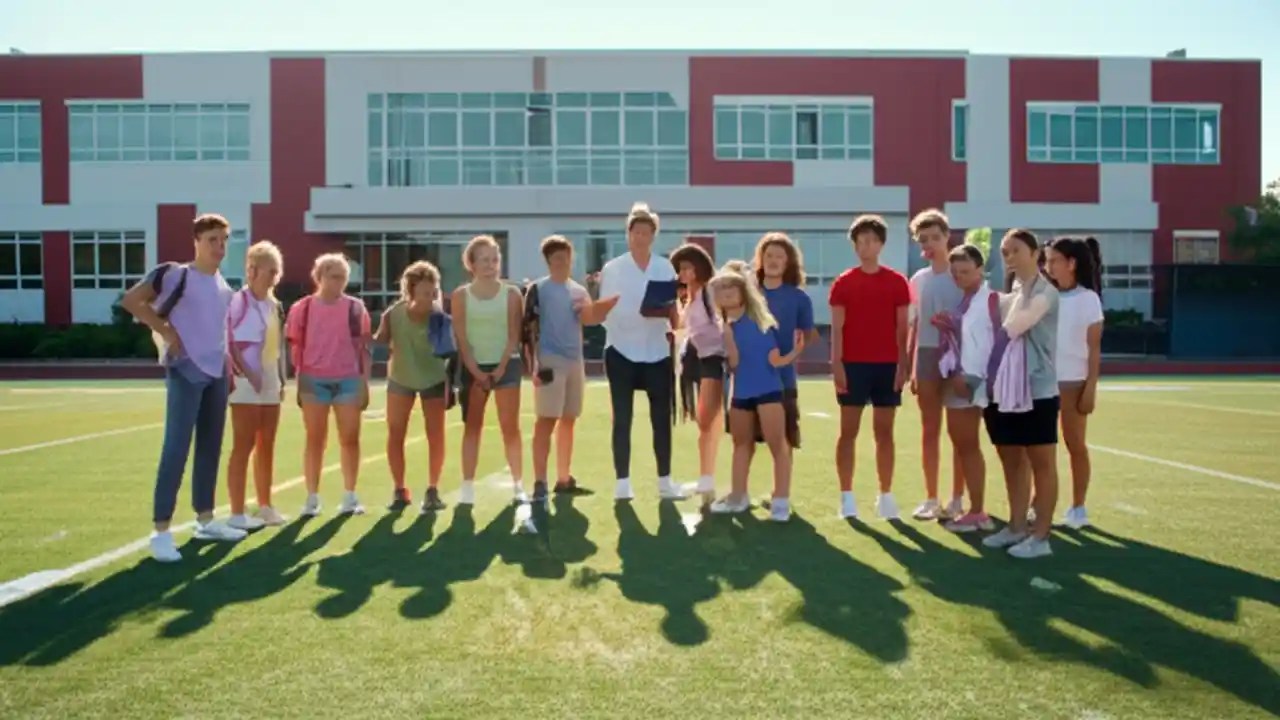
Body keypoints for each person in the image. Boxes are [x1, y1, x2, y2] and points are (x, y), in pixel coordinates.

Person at [120, 213, 244, 562]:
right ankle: (160, 531)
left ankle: (205, 519)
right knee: (176, 448)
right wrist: (166, 331)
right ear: (197, 241)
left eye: (223, 240)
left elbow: (218, 329)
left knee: (210, 447)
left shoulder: (222, 284)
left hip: (216, 373)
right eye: (212, 240)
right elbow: (132, 300)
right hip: (186, 370)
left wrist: (228, 367)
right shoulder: (178, 274)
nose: (219, 247)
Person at [597, 202, 686, 502]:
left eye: (646, 232)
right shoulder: (613, 268)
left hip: (657, 351)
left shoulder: (664, 266)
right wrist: (628, 316)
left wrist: (671, 318)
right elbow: (605, 308)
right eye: (636, 231)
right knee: (622, 418)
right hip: (621, 350)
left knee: (662, 418)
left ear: (653, 235)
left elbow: (673, 306)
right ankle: (622, 483)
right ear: (628, 234)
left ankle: (665, 482)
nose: (640, 237)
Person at [981, 229, 1061, 559]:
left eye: (1015, 250)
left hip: (1038, 390)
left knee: (1042, 463)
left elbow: (1015, 326)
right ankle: (1015, 526)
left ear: (1034, 252)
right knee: (1012, 461)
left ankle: (1040, 536)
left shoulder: (1046, 291)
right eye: (1004, 252)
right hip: (1006, 391)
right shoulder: (1011, 292)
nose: (1009, 257)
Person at [525, 236, 619, 503]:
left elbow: (589, 320)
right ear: (549, 261)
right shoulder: (538, 289)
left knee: (569, 420)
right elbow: (527, 328)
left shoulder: (579, 290)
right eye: (557, 258)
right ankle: (540, 481)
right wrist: (534, 365)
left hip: (574, 361)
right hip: (549, 361)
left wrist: (603, 306)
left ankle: (564, 478)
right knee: (546, 420)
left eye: (566, 257)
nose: (563, 262)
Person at [829, 214, 911, 520]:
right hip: (853, 364)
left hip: (887, 365)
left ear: (881, 244)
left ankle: (885, 495)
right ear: (855, 245)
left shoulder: (897, 282)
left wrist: (903, 364)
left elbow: (902, 328)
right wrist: (836, 364)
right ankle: (847, 496)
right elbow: (837, 329)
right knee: (848, 431)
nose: (867, 245)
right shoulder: (843, 283)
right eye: (861, 241)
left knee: (884, 433)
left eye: (872, 240)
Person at [710, 267, 804, 522]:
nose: (726, 294)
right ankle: (738, 496)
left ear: (744, 292)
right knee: (741, 445)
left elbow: (774, 359)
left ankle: (781, 500)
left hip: (769, 392)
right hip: (741, 394)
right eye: (720, 290)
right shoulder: (724, 327)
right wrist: (727, 339)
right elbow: (734, 364)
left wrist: (795, 351)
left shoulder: (761, 321)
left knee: (778, 445)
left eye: (731, 288)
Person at [287, 253, 373, 517]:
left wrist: (363, 382)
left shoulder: (355, 308)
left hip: (348, 379)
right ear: (320, 276)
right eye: (334, 276)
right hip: (314, 380)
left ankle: (349, 495)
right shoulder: (302, 308)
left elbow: (364, 347)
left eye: (343, 277)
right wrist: (299, 380)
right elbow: (295, 346)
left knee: (350, 438)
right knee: (315, 439)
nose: (339, 282)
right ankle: (312, 498)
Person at [451, 235, 526, 506]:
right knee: (473, 427)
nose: (490, 265)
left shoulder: (512, 294)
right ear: (471, 264)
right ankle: (467, 487)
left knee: (510, 428)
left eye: (495, 259)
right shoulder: (461, 295)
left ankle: (519, 485)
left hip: (506, 366)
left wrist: (501, 366)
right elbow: (461, 337)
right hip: (474, 369)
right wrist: (476, 371)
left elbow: (513, 335)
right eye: (483, 260)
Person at [906, 210, 967, 521]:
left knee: (960, 432)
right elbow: (913, 327)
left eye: (935, 237)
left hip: (960, 357)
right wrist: (912, 366)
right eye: (923, 239)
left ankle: (958, 498)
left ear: (947, 237)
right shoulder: (918, 280)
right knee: (930, 429)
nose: (929, 244)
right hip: (928, 356)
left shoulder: (962, 275)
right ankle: (932, 498)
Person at [377, 261, 451, 513]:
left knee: (436, 434)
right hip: (400, 378)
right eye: (423, 293)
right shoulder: (393, 314)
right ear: (410, 291)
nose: (429, 298)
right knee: (396, 433)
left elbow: (451, 351)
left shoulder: (440, 318)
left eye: (433, 293)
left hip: (433, 379)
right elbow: (380, 339)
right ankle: (399, 490)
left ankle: (433, 489)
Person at [225, 240, 288, 530]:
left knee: (267, 444)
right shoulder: (238, 301)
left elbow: (277, 345)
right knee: (244, 444)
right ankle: (237, 512)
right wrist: (247, 374)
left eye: (276, 271)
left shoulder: (274, 305)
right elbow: (230, 342)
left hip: (271, 380)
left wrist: (282, 377)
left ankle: (265, 505)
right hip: (244, 382)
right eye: (268, 271)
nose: (273, 276)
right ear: (251, 271)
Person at [937, 244, 998, 534]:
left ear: (980, 270)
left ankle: (977, 512)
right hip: (963, 379)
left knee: (968, 446)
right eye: (955, 271)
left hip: (971, 382)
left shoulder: (988, 300)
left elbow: (988, 344)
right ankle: (977, 509)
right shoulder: (967, 300)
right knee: (964, 445)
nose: (959, 276)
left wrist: (965, 374)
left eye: (965, 271)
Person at [1046, 236, 1104, 529]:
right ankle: (1039, 505)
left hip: (1073, 383)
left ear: (1071, 263)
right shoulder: (1047, 295)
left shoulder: (1088, 299)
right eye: (1047, 260)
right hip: (1043, 383)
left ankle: (1078, 507)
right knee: (1041, 448)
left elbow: (1094, 348)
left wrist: (1090, 387)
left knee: (1075, 444)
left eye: (1054, 260)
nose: (1049, 266)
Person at [670, 242, 724, 502]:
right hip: (698, 359)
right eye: (681, 269)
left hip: (715, 359)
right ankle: (706, 477)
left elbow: (723, 323)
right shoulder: (688, 296)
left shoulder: (708, 292)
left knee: (707, 420)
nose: (684, 273)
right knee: (705, 421)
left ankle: (708, 478)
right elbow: (683, 327)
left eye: (688, 267)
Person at [754, 232, 818, 450]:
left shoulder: (799, 298)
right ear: (761, 259)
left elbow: (806, 336)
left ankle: (782, 486)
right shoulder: (748, 294)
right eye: (768, 255)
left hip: (784, 380)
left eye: (779, 256)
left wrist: (790, 355)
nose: (773, 260)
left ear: (788, 261)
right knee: (745, 443)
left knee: (783, 443)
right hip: (748, 379)